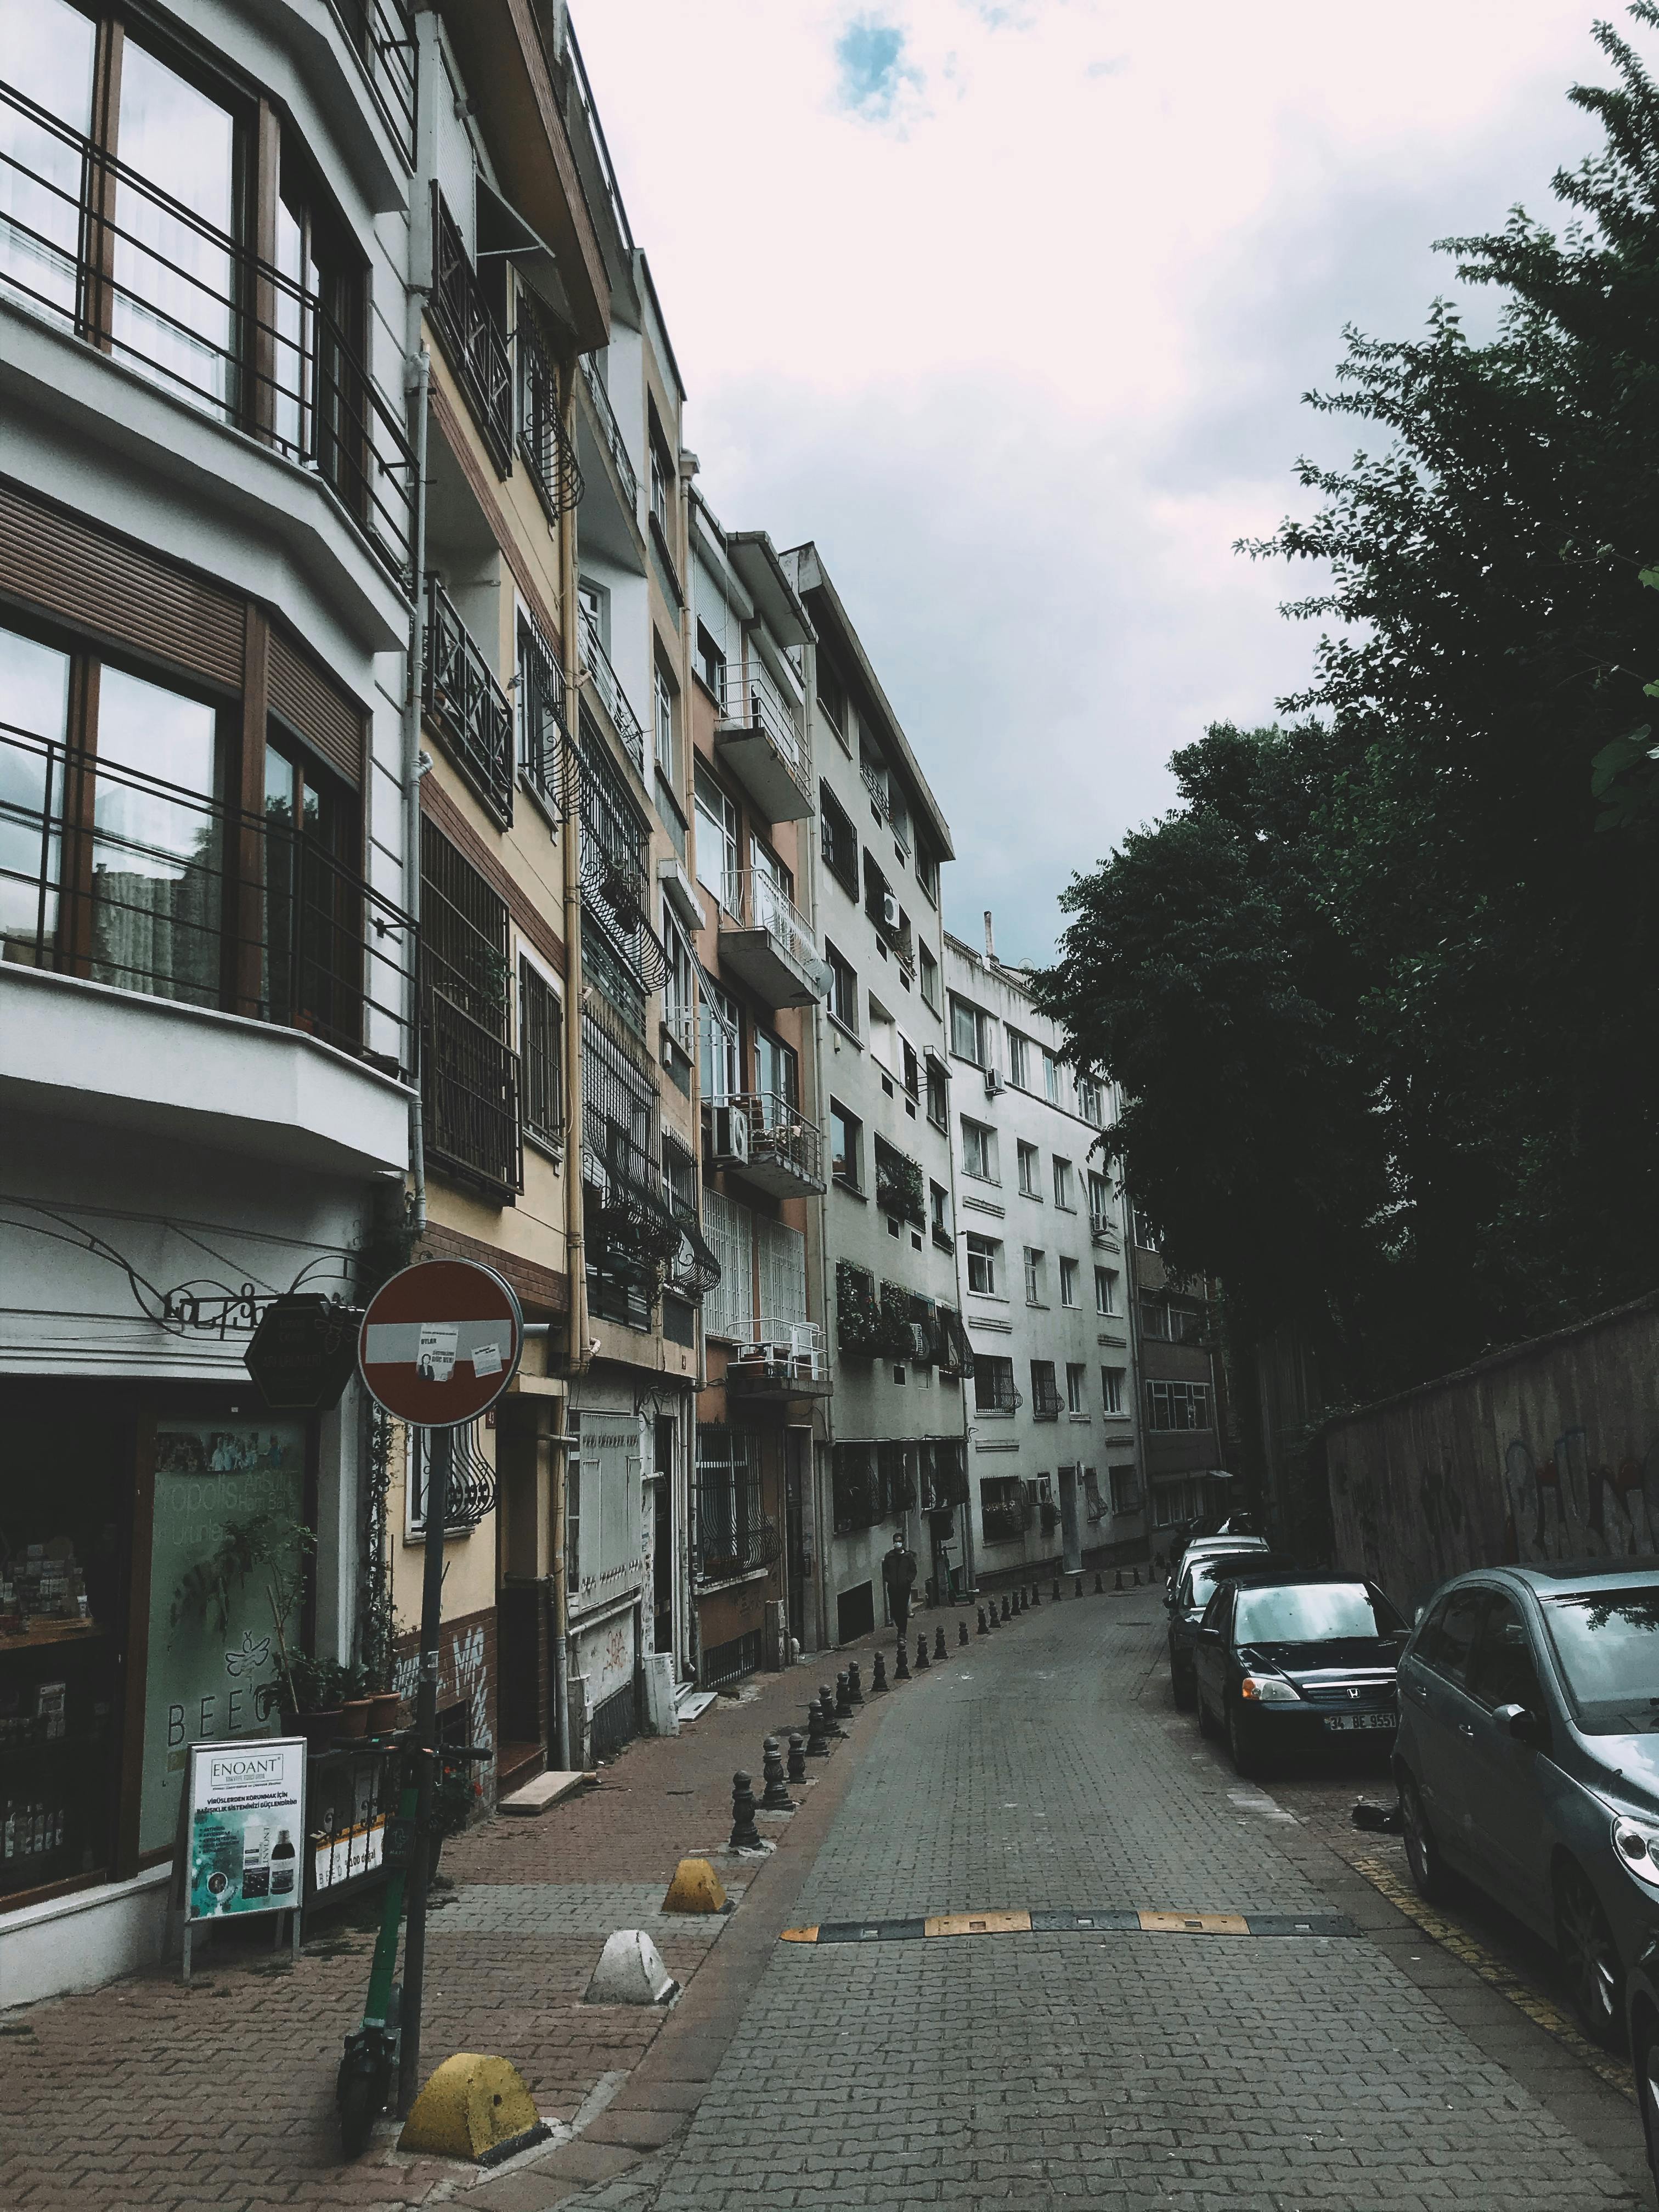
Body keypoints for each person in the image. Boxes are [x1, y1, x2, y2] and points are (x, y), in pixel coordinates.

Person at [881, 1529, 918, 1645]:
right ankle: (900, 1628)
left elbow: (913, 1570)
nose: (897, 1543)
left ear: (903, 1542)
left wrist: (908, 1580)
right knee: (895, 1610)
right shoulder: (890, 1556)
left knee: (902, 1610)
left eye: (899, 1541)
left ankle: (902, 1632)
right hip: (892, 1588)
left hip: (904, 1588)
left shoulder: (908, 1557)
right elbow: (885, 1571)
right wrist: (889, 1580)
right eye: (896, 1541)